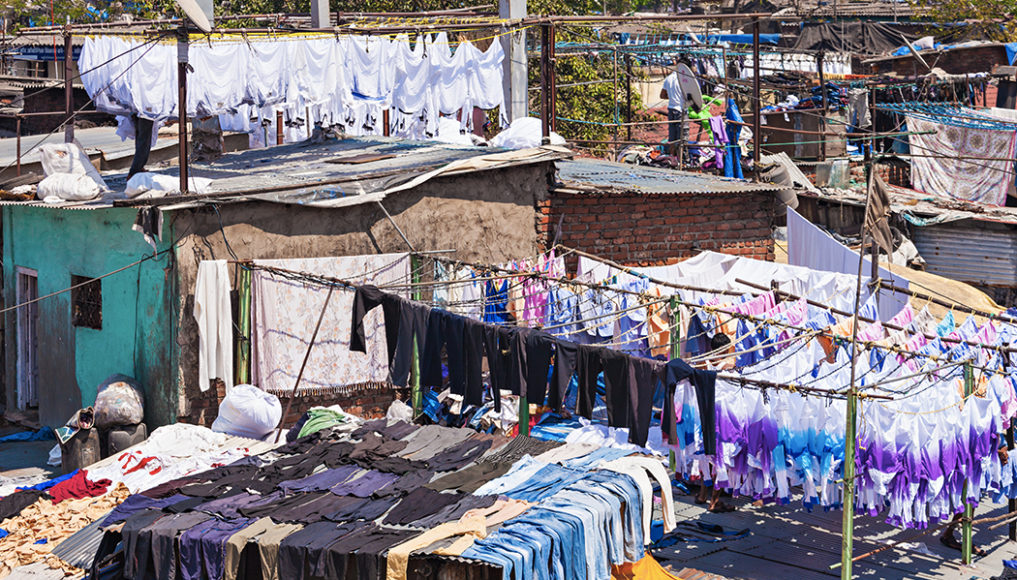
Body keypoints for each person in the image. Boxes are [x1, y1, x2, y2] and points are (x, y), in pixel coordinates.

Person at [660, 62, 687, 161]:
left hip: (671, 109)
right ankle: (680, 160)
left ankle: (672, 159)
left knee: (672, 136)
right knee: (682, 137)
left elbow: (662, 95)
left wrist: (672, 96)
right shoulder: (685, 79)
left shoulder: (668, 79)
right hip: (681, 110)